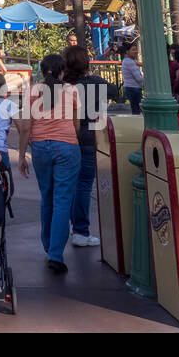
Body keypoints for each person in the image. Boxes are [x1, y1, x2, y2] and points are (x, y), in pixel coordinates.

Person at [15, 53, 80, 273]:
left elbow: (25, 127)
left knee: (47, 196)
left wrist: (22, 155)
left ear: (42, 71)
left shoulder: (32, 91)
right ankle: (55, 253)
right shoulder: (71, 90)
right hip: (67, 146)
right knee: (63, 200)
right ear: (63, 71)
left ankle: (48, 244)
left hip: (41, 147)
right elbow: (76, 123)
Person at [63, 45, 110, 249]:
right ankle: (81, 231)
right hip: (89, 137)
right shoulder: (96, 83)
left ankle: (74, 227)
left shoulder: (61, 86)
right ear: (86, 63)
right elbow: (116, 91)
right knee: (83, 184)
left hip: (66, 138)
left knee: (71, 184)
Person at [121, 43, 143, 113]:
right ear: (127, 52)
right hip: (134, 88)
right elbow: (139, 78)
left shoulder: (125, 61)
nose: (136, 51)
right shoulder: (130, 62)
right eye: (133, 50)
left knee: (135, 109)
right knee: (137, 110)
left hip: (129, 87)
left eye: (136, 50)